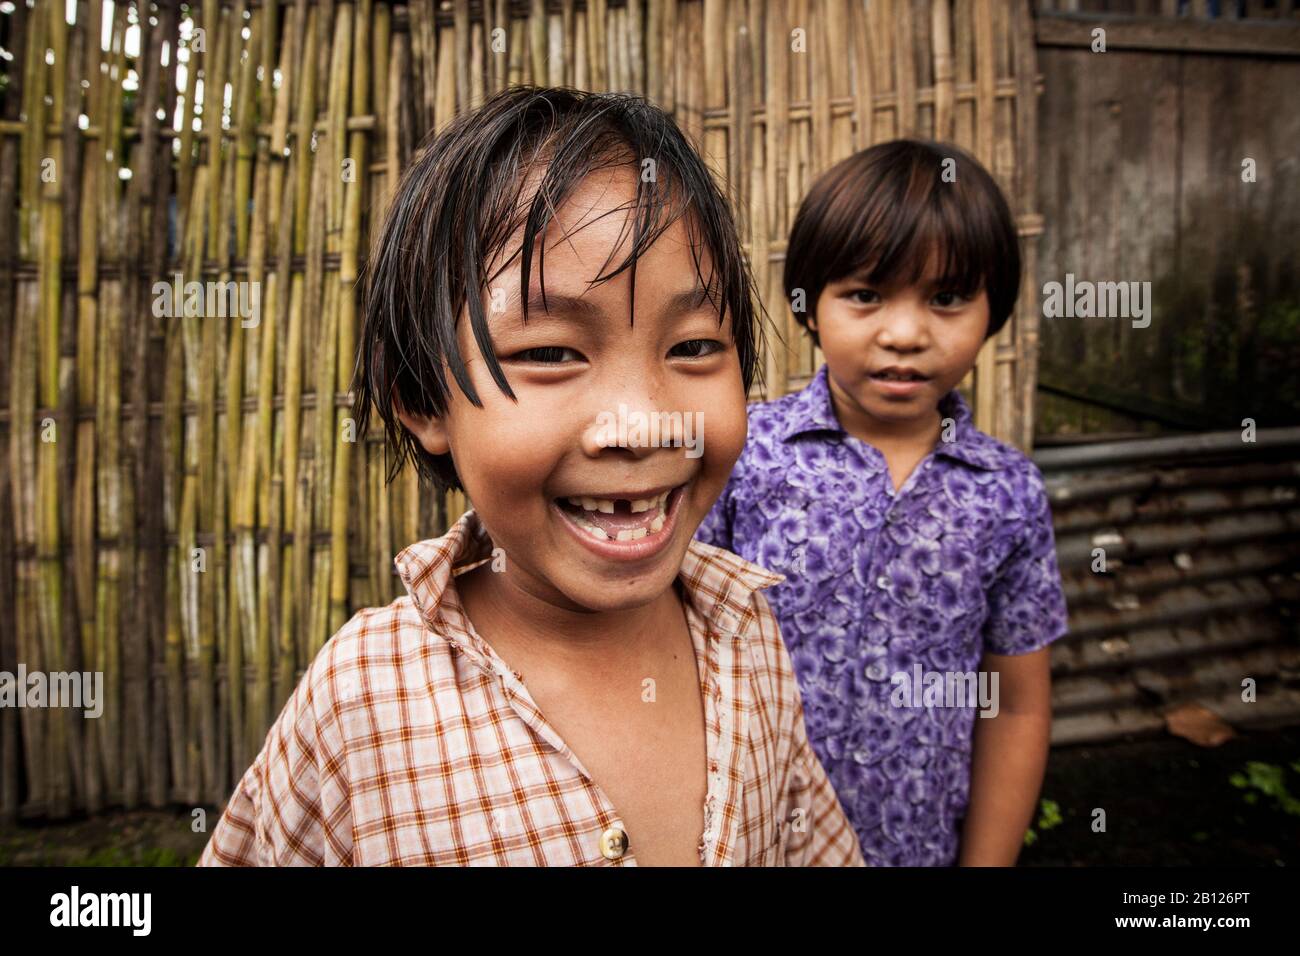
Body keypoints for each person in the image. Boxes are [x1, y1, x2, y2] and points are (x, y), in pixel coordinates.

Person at [197, 86, 862, 867]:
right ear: (419, 395)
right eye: (551, 353)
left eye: (691, 348)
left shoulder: (744, 630)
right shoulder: (362, 701)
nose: (644, 422)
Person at [697, 139, 1069, 866]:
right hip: (745, 842)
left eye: (948, 298)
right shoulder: (744, 455)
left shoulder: (1008, 493)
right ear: (808, 305)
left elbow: (1016, 704)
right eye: (865, 295)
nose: (905, 333)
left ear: (994, 312)